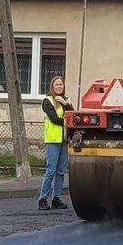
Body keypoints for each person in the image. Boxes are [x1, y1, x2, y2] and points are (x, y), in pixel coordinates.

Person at [39, 75, 73, 211]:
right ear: (52, 86)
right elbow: (53, 118)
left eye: (61, 84)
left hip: (64, 139)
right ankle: (42, 199)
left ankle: (56, 199)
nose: (59, 86)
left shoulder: (66, 101)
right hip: (53, 140)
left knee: (60, 172)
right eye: (57, 84)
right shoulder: (47, 101)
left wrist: (66, 104)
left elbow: (73, 115)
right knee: (50, 171)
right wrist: (65, 122)